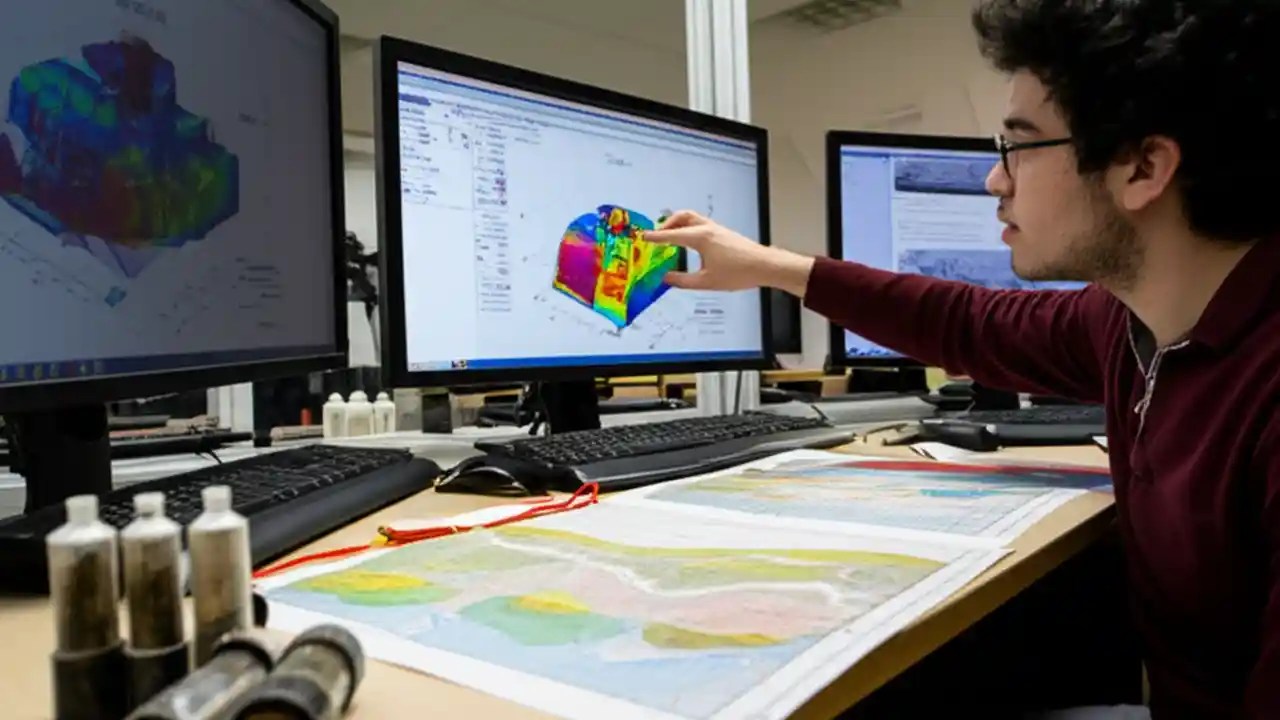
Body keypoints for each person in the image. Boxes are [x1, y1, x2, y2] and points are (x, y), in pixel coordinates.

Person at [646, 1, 1280, 717]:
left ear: (1143, 167)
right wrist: (771, 267)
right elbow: (970, 322)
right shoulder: (1132, 323)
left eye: (1019, 147)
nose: (994, 181)